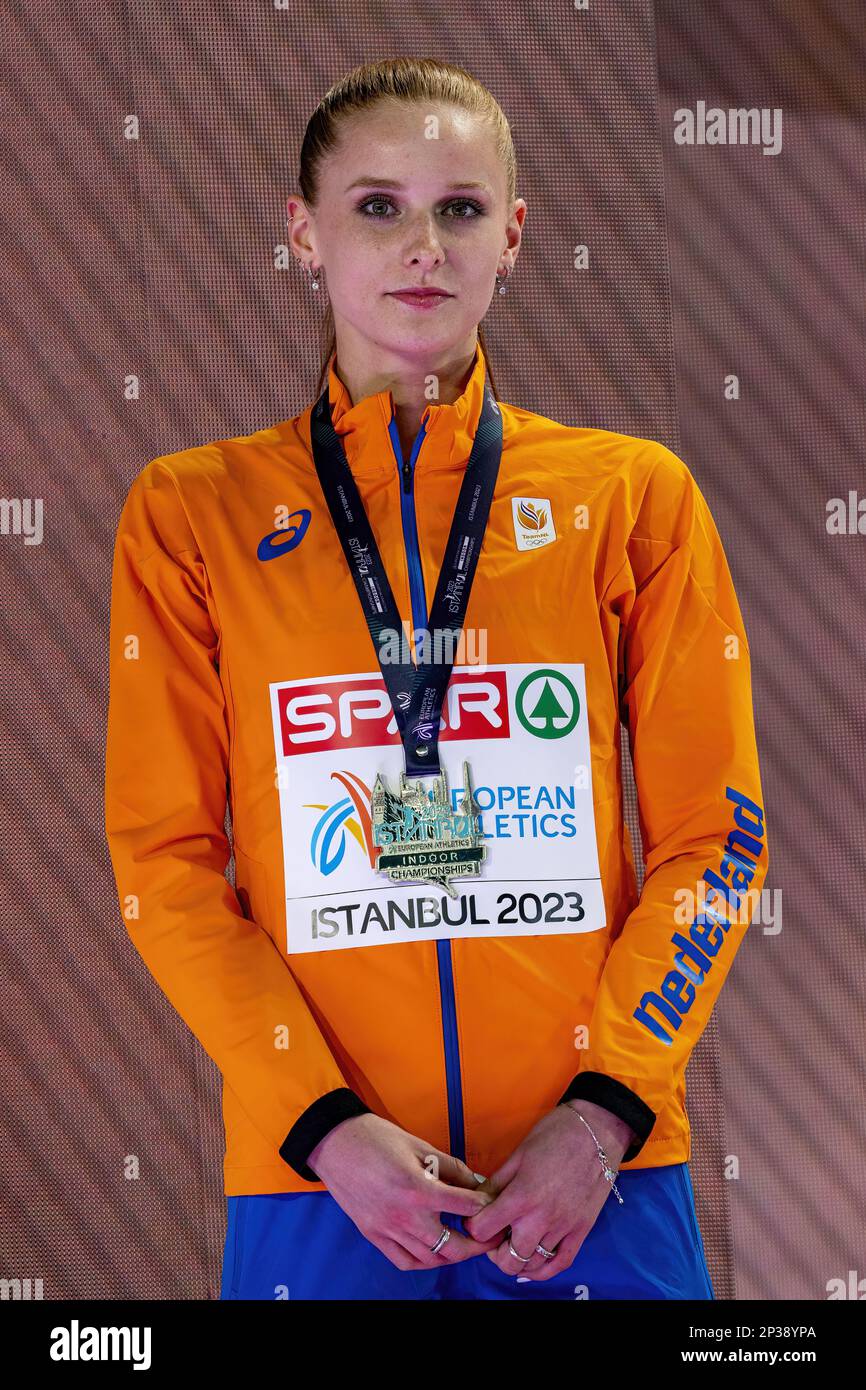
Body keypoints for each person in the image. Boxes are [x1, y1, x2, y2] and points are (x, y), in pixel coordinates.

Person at [104, 57, 769, 1302]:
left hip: (592, 1183)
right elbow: (167, 863)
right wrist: (321, 1125)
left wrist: (602, 1112)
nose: (422, 244)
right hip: (323, 1185)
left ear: (511, 236)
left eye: (459, 208)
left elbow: (715, 839)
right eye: (376, 206)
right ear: (301, 233)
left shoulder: (631, 498)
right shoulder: (193, 513)